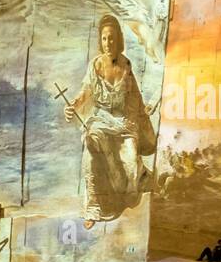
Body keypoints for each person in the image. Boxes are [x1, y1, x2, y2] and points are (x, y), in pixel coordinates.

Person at [62, 13, 157, 227]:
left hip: (124, 123)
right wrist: (73, 106)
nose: (108, 43)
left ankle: (127, 191)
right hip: (102, 120)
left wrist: (141, 121)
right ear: (100, 40)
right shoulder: (95, 66)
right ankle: (93, 205)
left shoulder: (126, 66)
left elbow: (135, 98)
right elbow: (86, 90)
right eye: (104, 38)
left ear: (119, 39)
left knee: (130, 163)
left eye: (112, 38)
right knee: (91, 143)